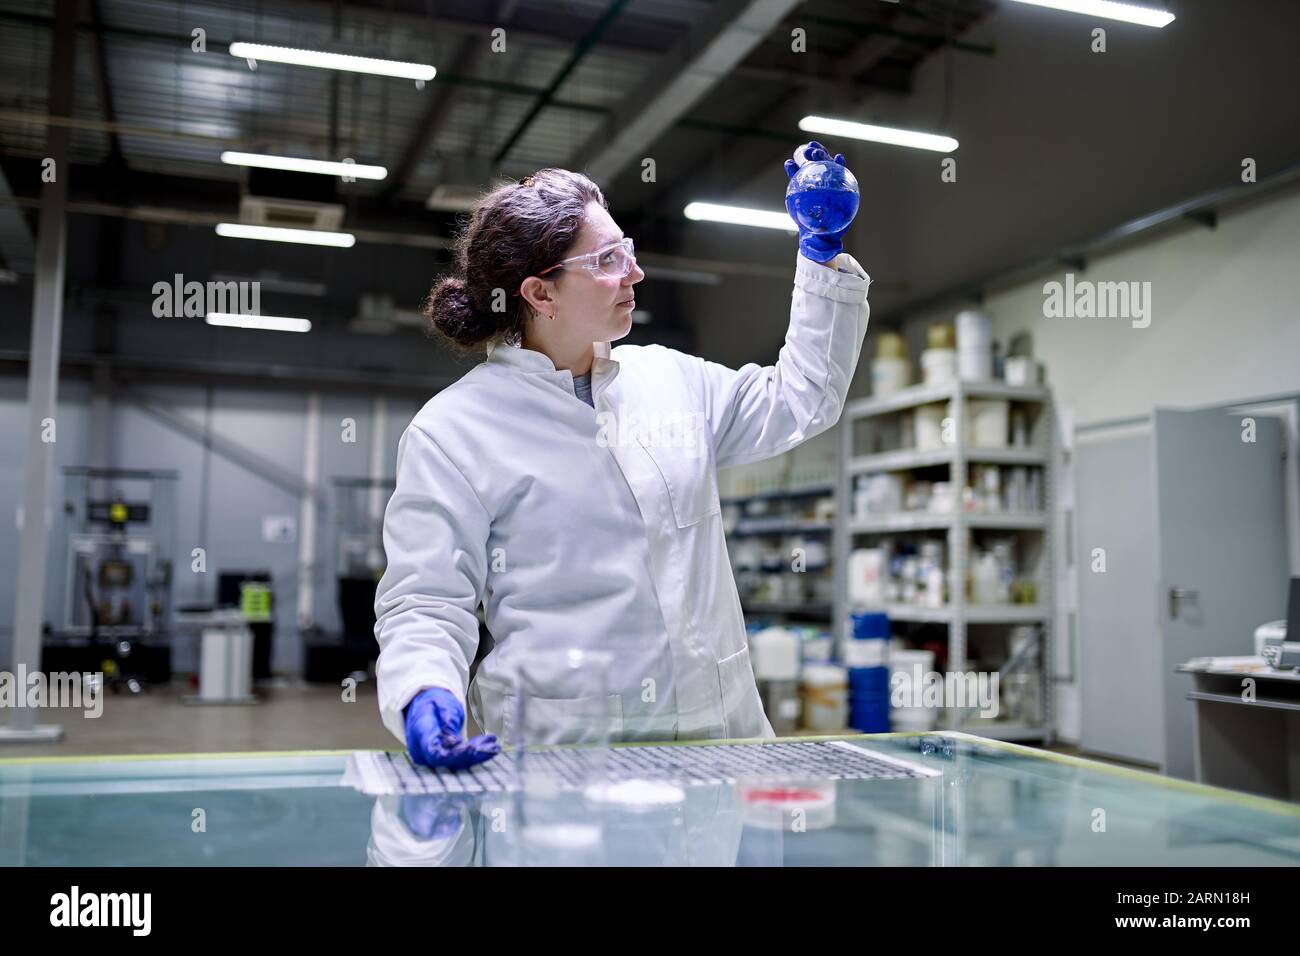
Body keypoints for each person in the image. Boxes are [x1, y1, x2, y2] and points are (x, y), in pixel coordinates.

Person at [375, 142, 871, 768]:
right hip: (569, 763)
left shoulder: (673, 382)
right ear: (540, 294)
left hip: (722, 743)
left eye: (628, 251)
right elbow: (426, 600)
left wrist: (819, 255)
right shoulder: (456, 431)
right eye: (608, 260)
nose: (635, 274)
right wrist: (424, 691)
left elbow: (802, 399)